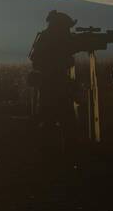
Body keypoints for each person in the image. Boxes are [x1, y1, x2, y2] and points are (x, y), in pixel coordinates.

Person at [27, 10, 86, 149]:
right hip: (54, 84)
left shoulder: (47, 37)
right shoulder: (53, 39)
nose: (68, 30)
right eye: (66, 27)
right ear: (59, 26)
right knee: (64, 119)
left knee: (49, 119)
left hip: (49, 84)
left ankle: (50, 150)